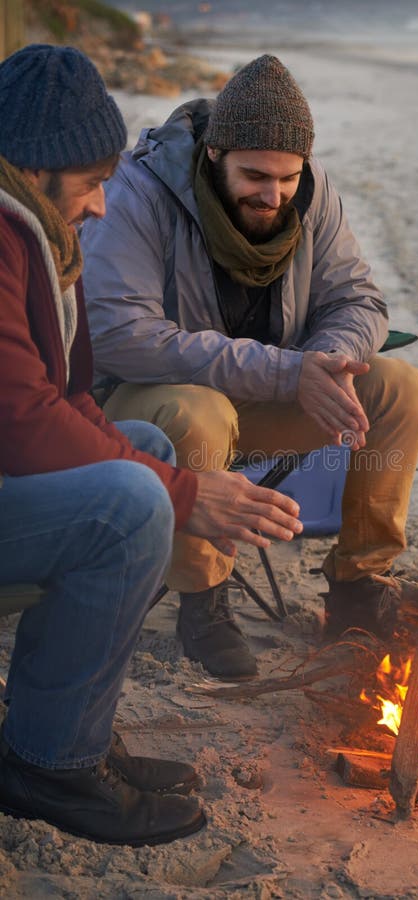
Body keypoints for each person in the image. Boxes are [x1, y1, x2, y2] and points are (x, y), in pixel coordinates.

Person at [0, 44, 302, 846]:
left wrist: (166, 478)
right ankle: (50, 762)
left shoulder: (31, 232)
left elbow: (61, 400)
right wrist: (184, 496)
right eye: (91, 181)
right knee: (134, 502)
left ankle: (63, 731)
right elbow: (23, 420)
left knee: (139, 446)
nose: (100, 205)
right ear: (35, 170)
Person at [81, 54, 418, 681]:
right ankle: (203, 602)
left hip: (264, 396)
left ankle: (357, 580)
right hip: (135, 407)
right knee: (199, 410)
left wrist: (331, 361)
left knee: (395, 385)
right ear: (213, 155)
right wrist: (287, 373)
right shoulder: (140, 192)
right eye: (256, 176)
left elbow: (358, 299)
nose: (274, 195)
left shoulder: (311, 193)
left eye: (288, 177)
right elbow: (118, 336)